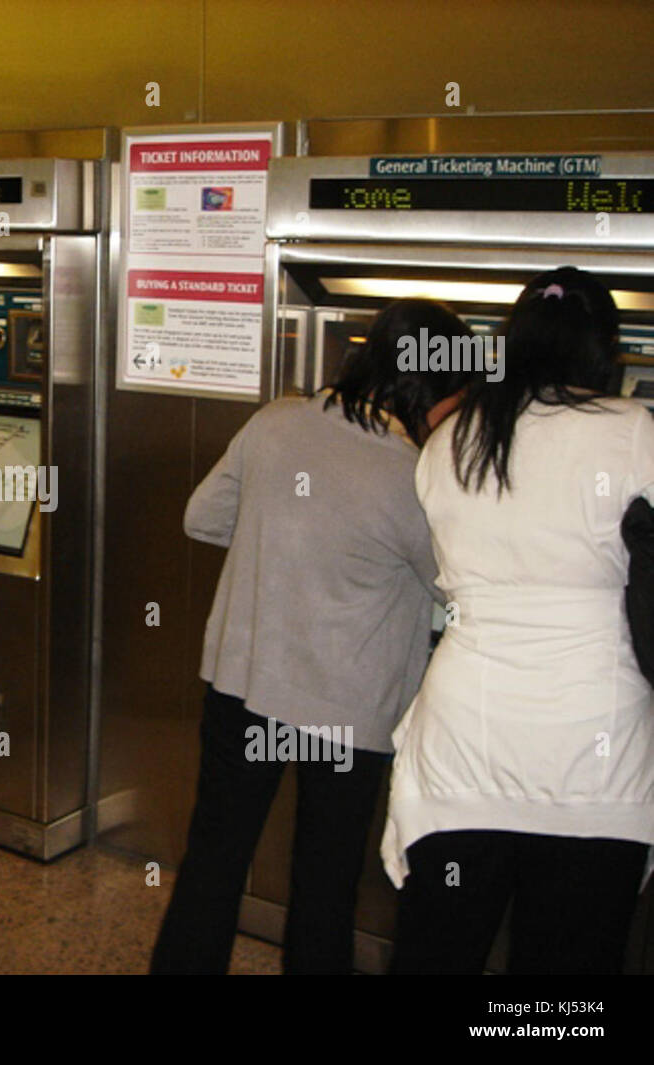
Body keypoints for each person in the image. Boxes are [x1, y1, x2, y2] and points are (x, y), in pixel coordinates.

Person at [150, 300, 473, 974]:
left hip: (243, 687)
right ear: (425, 387)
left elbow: (201, 517)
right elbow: (453, 591)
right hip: (347, 717)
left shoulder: (275, 422)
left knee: (213, 860)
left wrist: (280, 540)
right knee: (325, 886)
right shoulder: (414, 476)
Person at [384, 267, 654, 975]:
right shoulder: (634, 432)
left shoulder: (450, 441)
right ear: (604, 349)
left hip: (462, 747)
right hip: (594, 759)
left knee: (437, 956)